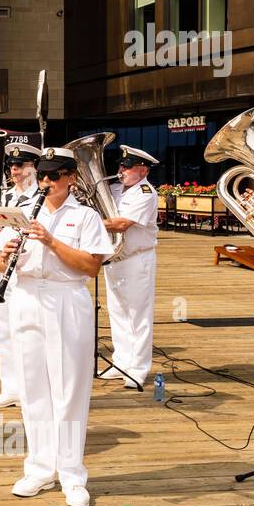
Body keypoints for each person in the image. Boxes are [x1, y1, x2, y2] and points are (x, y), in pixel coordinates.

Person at [0, 146, 114, 506]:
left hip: (66, 298)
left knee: (69, 390)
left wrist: (50, 240)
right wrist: (5, 255)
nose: (45, 182)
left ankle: (72, 473)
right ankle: (40, 467)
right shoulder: (22, 210)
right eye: (42, 175)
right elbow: (3, 262)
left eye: (53, 176)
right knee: (33, 388)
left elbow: (91, 266)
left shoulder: (86, 217)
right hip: (27, 296)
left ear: (70, 178)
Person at [0, 142, 40, 407]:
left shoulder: (43, 197)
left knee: (27, 332)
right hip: (3, 265)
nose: (15, 171)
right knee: (4, 330)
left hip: (28, 269)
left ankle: (31, 389)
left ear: (34, 167)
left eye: (21, 166)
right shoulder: (5, 196)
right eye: (12, 166)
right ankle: (10, 388)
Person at [100, 146, 161, 390]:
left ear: (143, 169)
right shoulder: (113, 189)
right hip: (115, 257)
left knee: (138, 316)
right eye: (121, 166)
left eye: (127, 167)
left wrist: (88, 222)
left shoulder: (145, 192)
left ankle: (137, 369)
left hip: (137, 259)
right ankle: (121, 362)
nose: (120, 170)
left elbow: (121, 224)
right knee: (117, 313)